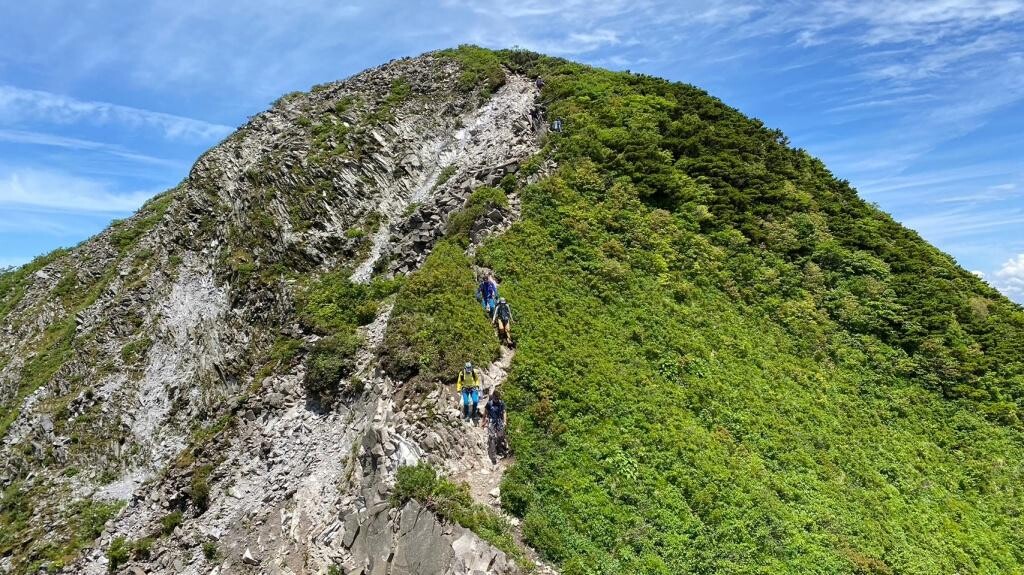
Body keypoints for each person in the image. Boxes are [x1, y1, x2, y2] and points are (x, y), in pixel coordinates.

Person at [482, 390, 508, 464]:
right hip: (491, 421)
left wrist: (505, 421)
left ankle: (499, 448)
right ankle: (493, 456)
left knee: (500, 436)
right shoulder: (489, 404)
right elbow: (485, 413)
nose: (496, 400)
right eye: (495, 398)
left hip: (499, 421)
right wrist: (483, 422)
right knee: (492, 438)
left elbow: (504, 412)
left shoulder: (501, 403)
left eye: (497, 398)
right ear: (493, 397)